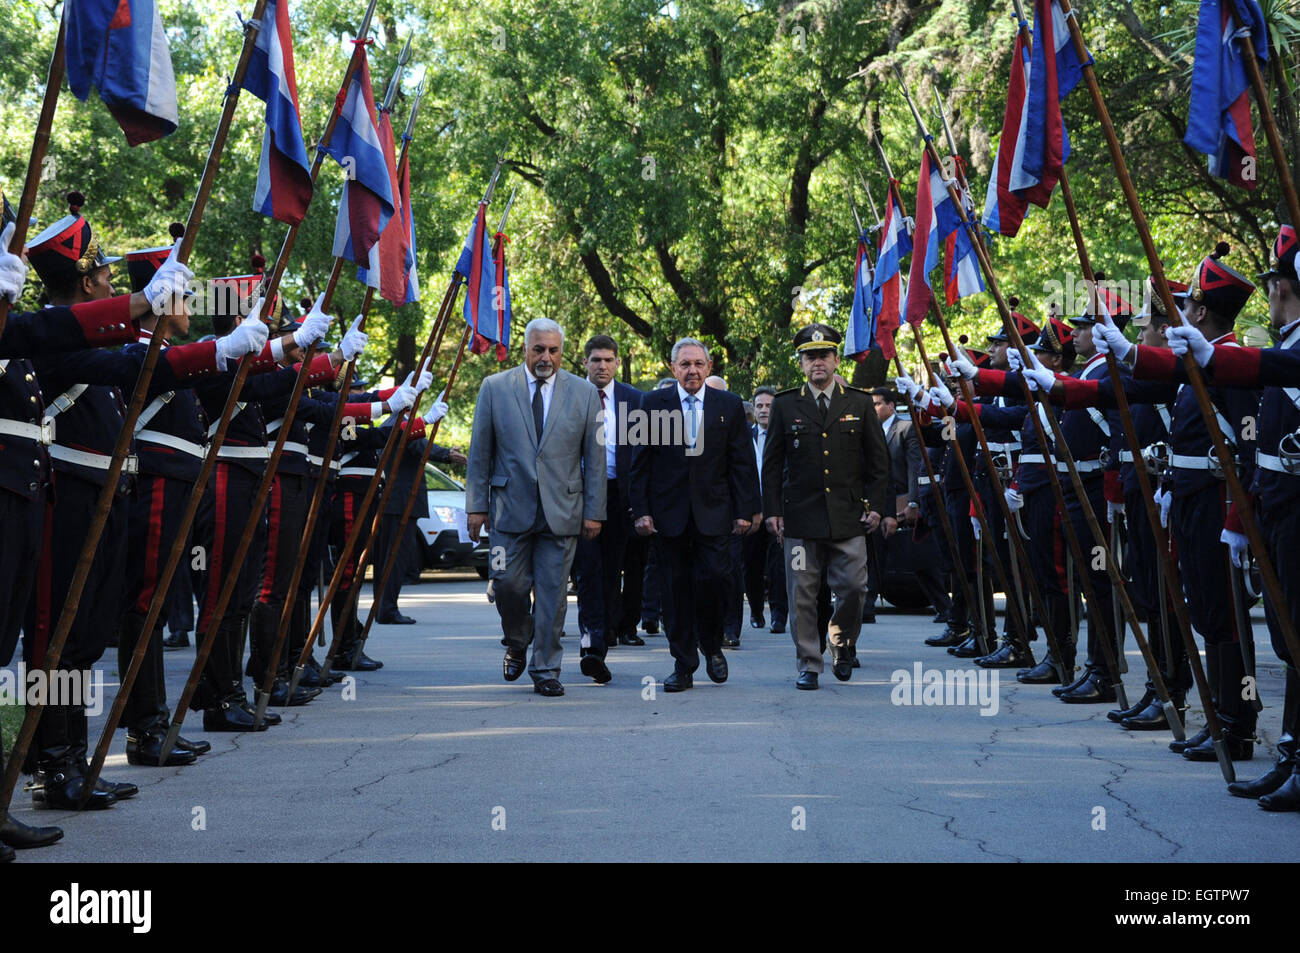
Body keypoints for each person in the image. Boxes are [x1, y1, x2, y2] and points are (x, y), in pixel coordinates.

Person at [466, 317, 605, 697]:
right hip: (507, 512)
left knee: (552, 595)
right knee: (506, 583)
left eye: (554, 350)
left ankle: (545, 668)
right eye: (539, 349)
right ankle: (517, 637)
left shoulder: (584, 393)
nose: (546, 357)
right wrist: (475, 507)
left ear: (563, 351)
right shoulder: (495, 388)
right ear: (525, 349)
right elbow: (480, 453)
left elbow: (595, 458)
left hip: (562, 511)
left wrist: (595, 511)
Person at [762, 323, 888, 689]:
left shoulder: (860, 402)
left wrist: (878, 507)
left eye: (823, 355)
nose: (817, 362)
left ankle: (842, 641)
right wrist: (773, 510)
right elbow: (772, 463)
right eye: (809, 357)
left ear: (835, 360)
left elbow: (879, 463)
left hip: (849, 518)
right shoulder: (786, 405)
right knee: (801, 592)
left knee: (853, 588)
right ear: (801, 364)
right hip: (800, 522)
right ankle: (808, 663)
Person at [629, 338, 759, 692]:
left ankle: (712, 644)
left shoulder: (728, 405)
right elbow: (640, 463)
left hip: (715, 514)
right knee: (675, 591)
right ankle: (683, 664)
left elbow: (742, 462)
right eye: (684, 364)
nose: (692, 370)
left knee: (716, 581)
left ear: (709, 366)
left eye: (698, 364)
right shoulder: (653, 403)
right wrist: (640, 511)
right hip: (667, 517)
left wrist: (746, 510)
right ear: (673, 369)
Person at [572, 334, 645, 684]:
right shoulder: (569, 394)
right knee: (587, 570)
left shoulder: (635, 399)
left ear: (617, 363)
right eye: (595, 360)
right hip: (579, 493)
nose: (602, 366)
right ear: (584, 362)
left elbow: (646, 455)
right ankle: (592, 645)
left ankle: (605, 633)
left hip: (619, 496)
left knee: (611, 569)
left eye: (608, 360)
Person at [743, 386, 787, 634]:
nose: (763, 410)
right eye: (759, 405)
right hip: (751, 512)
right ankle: (757, 610)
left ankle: (779, 615)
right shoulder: (744, 437)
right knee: (752, 564)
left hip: (779, 510)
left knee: (779, 565)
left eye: (769, 406)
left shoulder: (786, 436)